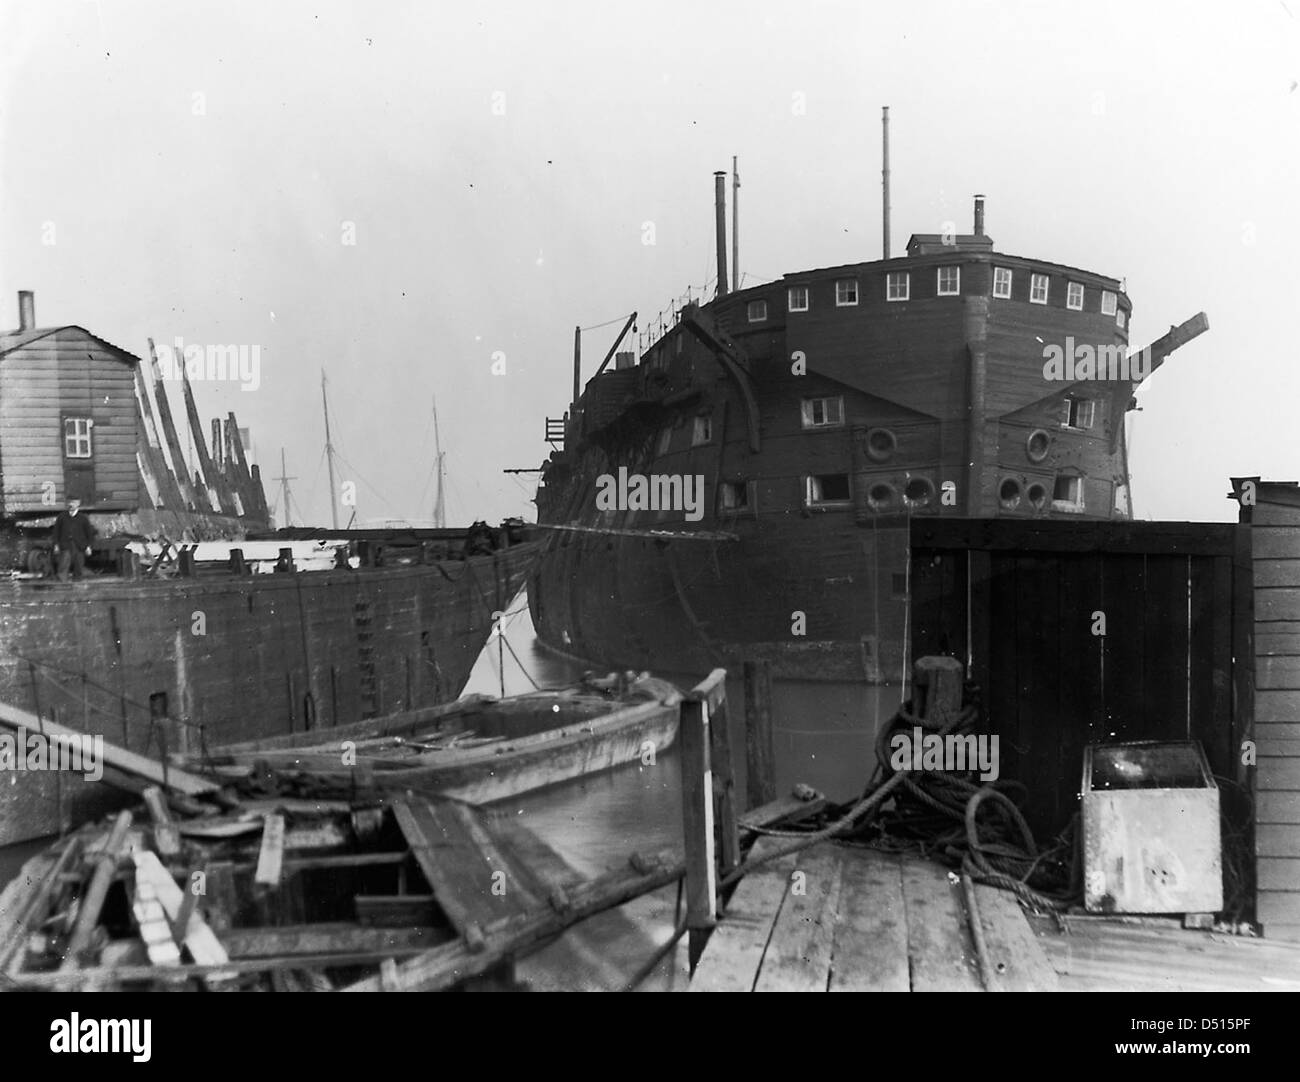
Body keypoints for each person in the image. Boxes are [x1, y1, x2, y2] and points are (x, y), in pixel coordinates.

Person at [53, 499, 96, 581]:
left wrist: (89, 547)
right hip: (65, 544)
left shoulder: (83, 518)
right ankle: (63, 584)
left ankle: (77, 585)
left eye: (73, 502)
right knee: (63, 564)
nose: (71, 504)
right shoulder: (62, 517)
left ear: (78, 504)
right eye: (69, 502)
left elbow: (89, 534)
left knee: (79, 566)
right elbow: (56, 532)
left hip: (79, 546)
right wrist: (56, 545)